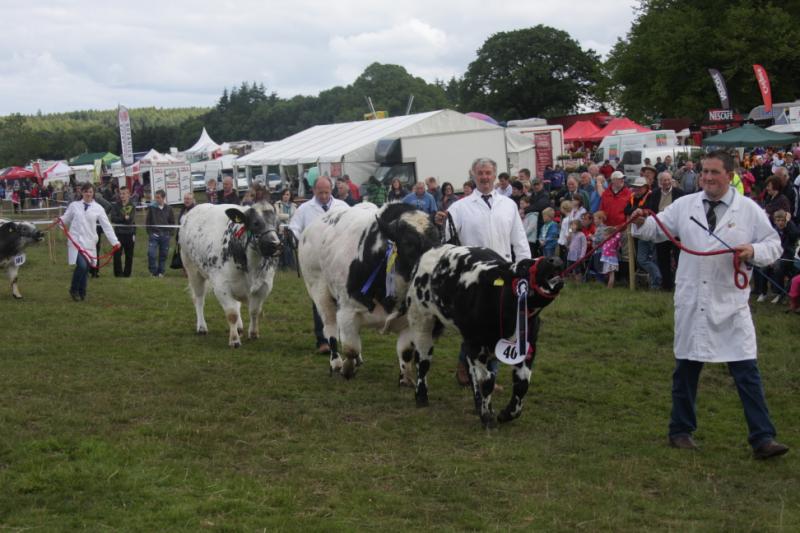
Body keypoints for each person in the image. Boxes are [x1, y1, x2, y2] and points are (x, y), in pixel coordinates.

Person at [630, 150, 788, 459]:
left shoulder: (748, 210)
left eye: (714, 172)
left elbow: (773, 245)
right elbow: (657, 229)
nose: (707, 178)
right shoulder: (685, 205)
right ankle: (680, 430)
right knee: (686, 369)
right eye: (704, 172)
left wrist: (752, 250)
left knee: (746, 371)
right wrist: (640, 221)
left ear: (730, 175)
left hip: (730, 302)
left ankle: (762, 438)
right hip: (693, 299)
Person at [436, 157, 530, 387]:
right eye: (480, 173)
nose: (485, 177)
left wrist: (526, 267)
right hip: (474, 278)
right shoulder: (459, 207)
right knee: (475, 326)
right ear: (473, 175)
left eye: (488, 173)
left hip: (505, 273)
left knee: (498, 326)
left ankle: (489, 375)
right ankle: (466, 365)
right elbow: (447, 243)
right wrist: (440, 224)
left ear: (495, 175)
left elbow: (518, 239)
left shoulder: (508, 205)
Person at [289, 176, 350, 354]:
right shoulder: (304, 209)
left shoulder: (343, 207)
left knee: (342, 300)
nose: (323, 196)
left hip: (338, 261)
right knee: (320, 301)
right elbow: (294, 228)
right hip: (316, 263)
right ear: (314, 191)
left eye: (327, 192)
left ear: (331, 190)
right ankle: (323, 340)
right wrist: (301, 244)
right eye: (320, 192)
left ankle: (343, 336)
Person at [56, 182, 120, 301]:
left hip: (89, 242)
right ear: (82, 192)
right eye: (86, 191)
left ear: (93, 193)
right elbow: (66, 218)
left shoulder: (98, 208)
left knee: (86, 268)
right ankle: (74, 289)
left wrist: (115, 242)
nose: (88, 194)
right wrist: (59, 221)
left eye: (90, 192)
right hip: (75, 241)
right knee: (82, 265)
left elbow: (107, 226)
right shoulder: (74, 205)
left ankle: (82, 291)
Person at [647, 171, 685, 291]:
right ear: (660, 182)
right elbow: (651, 209)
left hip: (676, 231)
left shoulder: (680, 193)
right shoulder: (654, 193)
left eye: (669, 180)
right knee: (662, 259)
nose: (667, 182)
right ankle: (667, 285)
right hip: (661, 229)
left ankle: (680, 284)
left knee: (679, 258)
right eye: (664, 180)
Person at [625, 176, 661, 290]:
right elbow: (626, 210)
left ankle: (657, 283)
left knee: (652, 258)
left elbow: (651, 209)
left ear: (646, 187)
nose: (637, 190)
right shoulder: (633, 197)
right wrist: (636, 211)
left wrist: (639, 211)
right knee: (641, 259)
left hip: (653, 231)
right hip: (639, 232)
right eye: (636, 187)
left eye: (640, 187)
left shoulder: (651, 196)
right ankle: (656, 279)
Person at [146, 189, 175, 277]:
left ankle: (161, 272)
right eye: (156, 197)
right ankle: (153, 272)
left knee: (163, 255)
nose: (156, 199)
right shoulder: (152, 208)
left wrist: (170, 234)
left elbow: (172, 222)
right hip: (154, 235)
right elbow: (148, 222)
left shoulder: (169, 209)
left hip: (165, 236)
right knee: (151, 254)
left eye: (158, 197)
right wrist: (150, 233)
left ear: (163, 198)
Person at [108, 186, 136, 277]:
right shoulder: (116, 205)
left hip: (130, 233)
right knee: (117, 254)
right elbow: (113, 218)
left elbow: (130, 220)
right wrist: (124, 218)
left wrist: (124, 219)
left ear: (129, 194)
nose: (122, 195)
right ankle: (118, 273)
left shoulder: (132, 206)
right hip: (118, 234)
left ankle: (127, 273)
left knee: (129, 255)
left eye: (124, 193)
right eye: (120, 193)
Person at [275, 189, 298, 270]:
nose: (286, 196)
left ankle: (290, 264)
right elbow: (278, 216)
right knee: (283, 245)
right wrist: (288, 216)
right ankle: (285, 264)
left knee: (290, 245)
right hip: (280, 228)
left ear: (290, 196)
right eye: (284, 194)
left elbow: (295, 218)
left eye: (287, 194)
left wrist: (286, 217)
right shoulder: (277, 204)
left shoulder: (294, 206)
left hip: (291, 228)